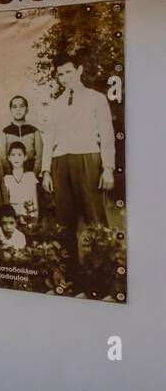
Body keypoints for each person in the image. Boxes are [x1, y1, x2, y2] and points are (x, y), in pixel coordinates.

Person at [40, 54, 116, 250]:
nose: (65, 77)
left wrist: (108, 168)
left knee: (96, 219)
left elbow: (107, 134)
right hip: (60, 163)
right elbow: (48, 139)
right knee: (64, 222)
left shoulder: (96, 99)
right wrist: (46, 171)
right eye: (60, 75)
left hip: (88, 160)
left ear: (79, 70)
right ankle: (70, 275)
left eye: (68, 72)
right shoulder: (55, 105)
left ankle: (103, 273)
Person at [1, 95, 44, 173]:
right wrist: (9, 173)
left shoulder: (34, 131)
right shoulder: (5, 132)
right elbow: (2, 156)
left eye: (21, 106)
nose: (18, 109)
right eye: (14, 107)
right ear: (10, 110)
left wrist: (34, 174)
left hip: (30, 172)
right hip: (11, 173)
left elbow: (39, 156)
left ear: (27, 110)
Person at [3, 141, 39, 226]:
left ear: (25, 157)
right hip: (13, 217)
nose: (16, 158)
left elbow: (35, 201)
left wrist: (35, 220)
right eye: (13, 155)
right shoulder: (6, 178)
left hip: (28, 215)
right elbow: (6, 204)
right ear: (8, 158)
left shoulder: (30, 176)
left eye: (19, 155)